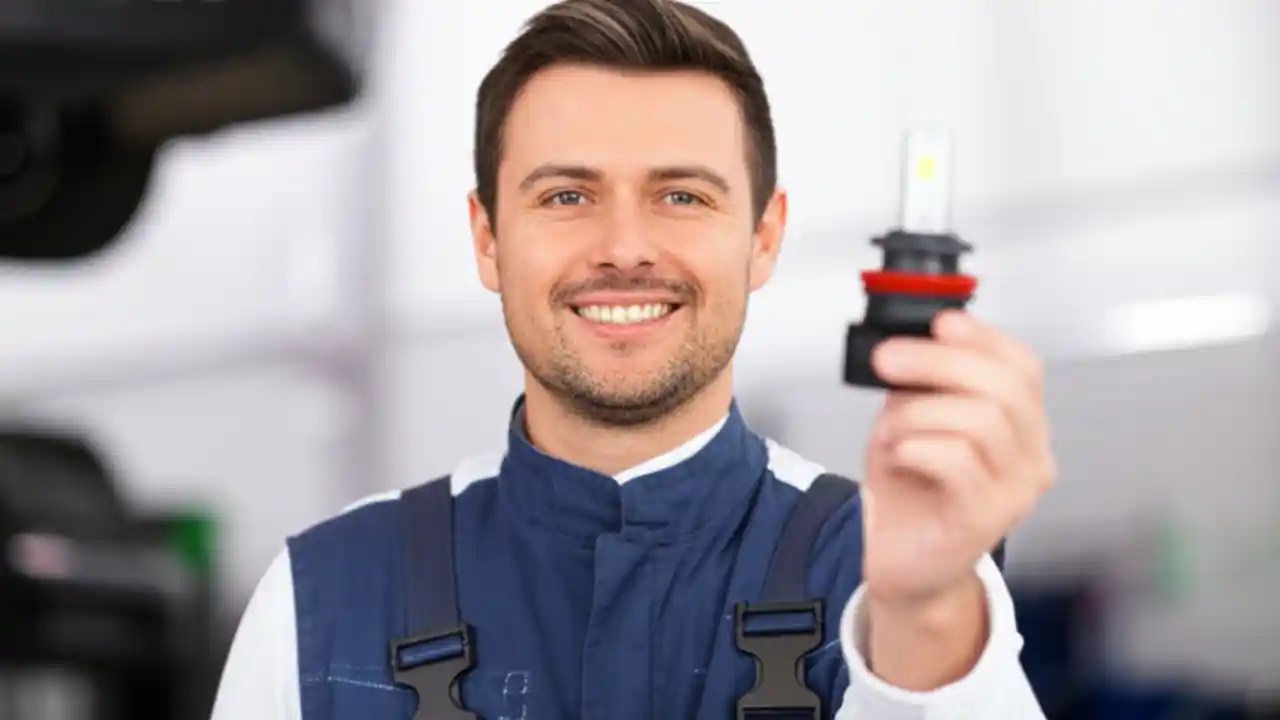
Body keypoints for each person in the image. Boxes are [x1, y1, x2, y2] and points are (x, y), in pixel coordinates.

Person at [211, 0, 1057, 717]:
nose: (623, 247)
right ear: (487, 238)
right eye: (567, 196)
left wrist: (928, 620)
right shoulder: (322, 600)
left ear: (764, 237)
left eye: (681, 196)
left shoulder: (890, 574)